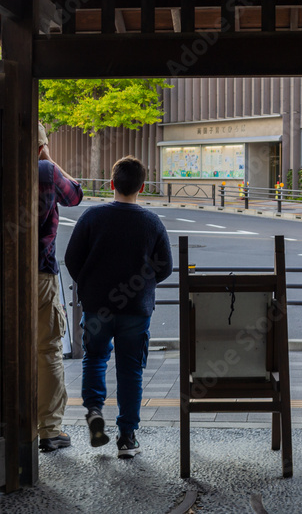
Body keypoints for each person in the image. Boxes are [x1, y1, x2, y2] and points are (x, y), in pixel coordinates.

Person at [64, 156, 173, 458]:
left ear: (112, 184)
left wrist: (88, 285)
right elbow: (165, 267)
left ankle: (95, 413)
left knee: (95, 358)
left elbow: (72, 259)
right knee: (130, 370)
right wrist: (144, 282)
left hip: (97, 306)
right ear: (141, 187)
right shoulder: (151, 222)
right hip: (136, 310)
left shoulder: (92, 217)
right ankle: (127, 436)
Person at [37, 122, 83, 452]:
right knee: (48, 349)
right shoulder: (46, 172)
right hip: (41, 275)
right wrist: (49, 159)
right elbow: (75, 195)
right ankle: (50, 430)